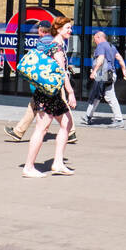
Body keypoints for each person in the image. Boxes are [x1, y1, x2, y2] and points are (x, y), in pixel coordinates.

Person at [5, 20, 79, 144]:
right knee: (36, 109)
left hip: (49, 82)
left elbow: (42, 61)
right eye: (68, 28)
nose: (70, 30)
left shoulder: (48, 43)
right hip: (51, 82)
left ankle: (69, 133)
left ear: (40, 30)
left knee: (42, 119)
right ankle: (19, 132)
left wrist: (70, 91)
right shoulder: (57, 44)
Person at [21, 15, 77, 178]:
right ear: (58, 29)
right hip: (48, 94)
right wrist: (71, 92)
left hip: (50, 93)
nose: (70, 30)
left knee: (66, 122)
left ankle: (58, 163)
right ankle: (29, 167)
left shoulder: (55, 45)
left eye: (70, 27)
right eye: (67, 27)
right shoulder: (56, 47)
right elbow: (62, 72)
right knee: (42, 128)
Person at [85, 31, 126, 127]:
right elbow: (120, 58)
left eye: (94, 39)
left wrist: (94, 71)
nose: (94, 41)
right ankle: (88, 116)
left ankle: (119, 120)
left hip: (103, 75)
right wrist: (124, 70)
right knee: (97, 95)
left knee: (107, 97)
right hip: (110, 74)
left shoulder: (101, 46)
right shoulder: (111, 46)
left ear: (98, 37)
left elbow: (100, 59)